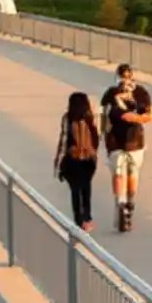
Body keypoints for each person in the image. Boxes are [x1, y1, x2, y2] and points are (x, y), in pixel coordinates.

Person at [100, 63, 152, 232]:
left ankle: (129, 202)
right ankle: (121, 203)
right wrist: (103, 133)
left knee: (132, 173)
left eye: (127, 76)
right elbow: (104, 115)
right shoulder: (111, 93)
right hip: (115, 141)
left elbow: (150, 115)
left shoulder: (141, 93)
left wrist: (134, 118)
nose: (125, 80)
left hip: (134, 140)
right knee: (118, 173)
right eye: (122, 76)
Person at [54, 92, 100, 232]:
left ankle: (78, 220)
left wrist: (58, 164)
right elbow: (96, 139)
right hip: (88, 160)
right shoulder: (91, 118)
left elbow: (63, 141)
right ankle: (87, 217)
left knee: (75, 190)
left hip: (72, 160)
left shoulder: (67, 118)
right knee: (86, 188)